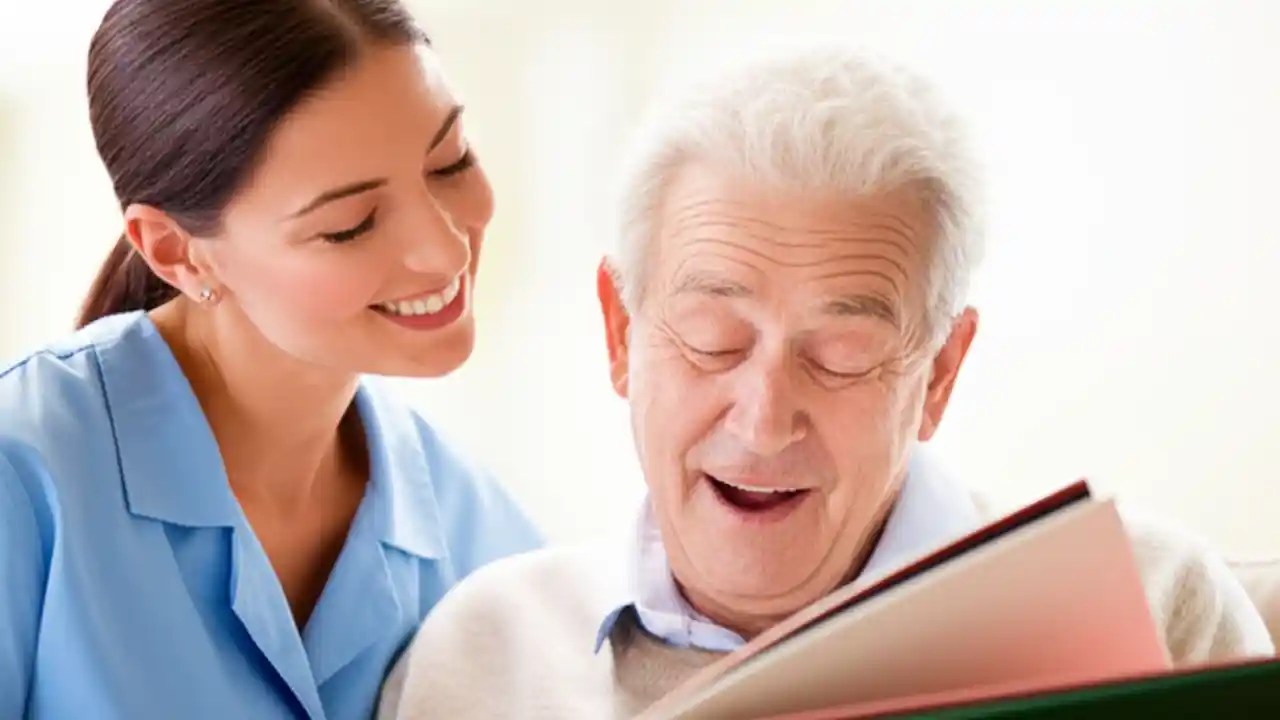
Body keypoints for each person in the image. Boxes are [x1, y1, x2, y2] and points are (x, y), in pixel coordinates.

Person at [376, 45, 1275, 719]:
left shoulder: (1157, 606)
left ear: (938, 374)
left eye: (840, 356)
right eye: (713, 339)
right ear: (621, 331)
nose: (764, 423)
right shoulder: (484, 653)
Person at [0, 1, 544, 718]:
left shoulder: (477, 528)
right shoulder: (27, 476)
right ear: (173, 249)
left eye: (450, 163)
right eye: (350, 227)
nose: (445, 250)